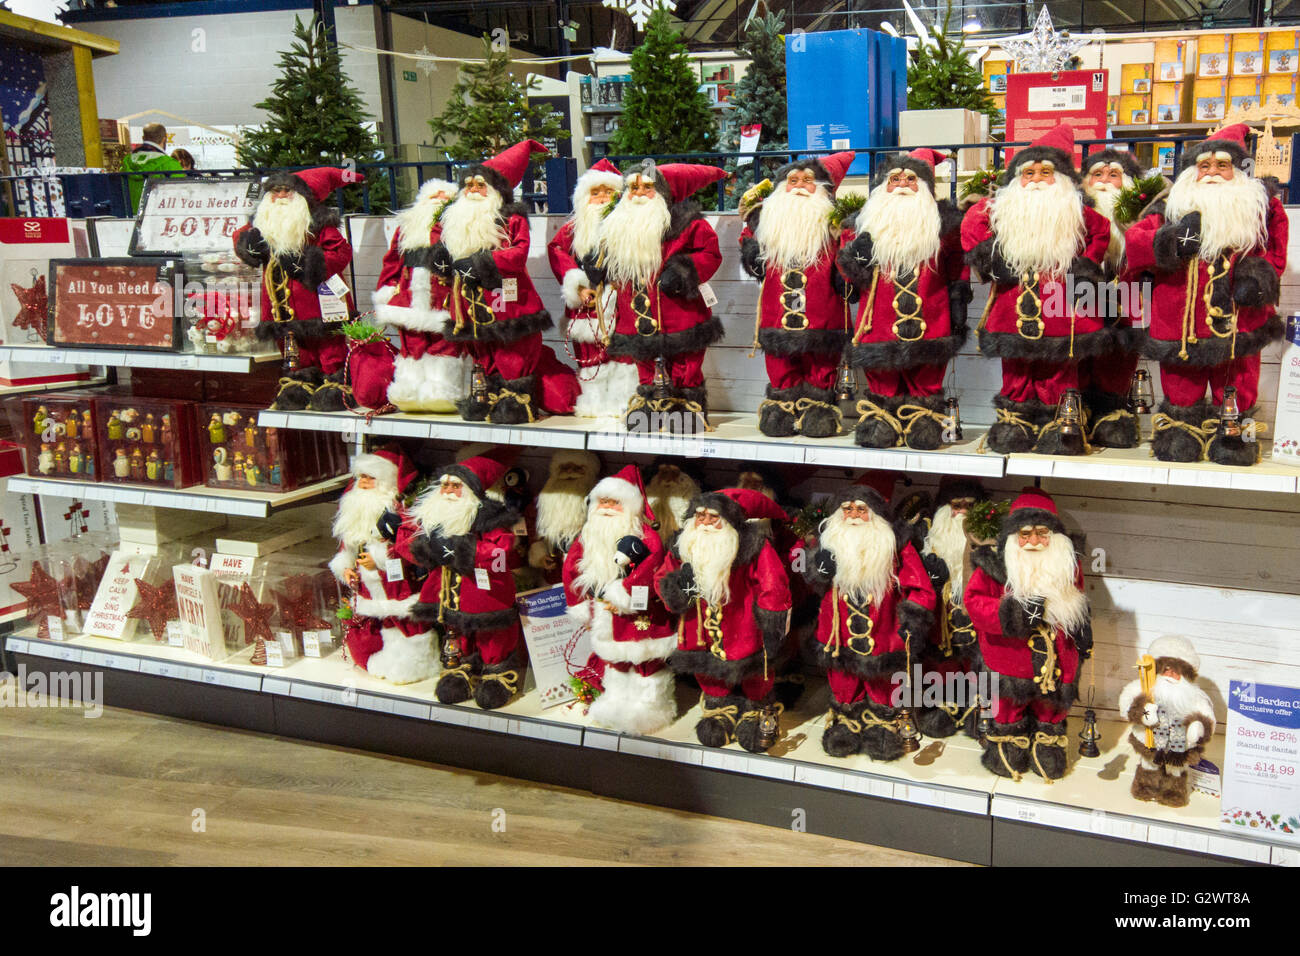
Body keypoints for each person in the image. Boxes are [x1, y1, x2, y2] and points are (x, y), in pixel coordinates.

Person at [1123, 123, 1288, 465]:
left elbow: (1276, 253)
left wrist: (1258, 278)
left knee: (1238, 380)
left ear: (1237, 169)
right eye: (1205, 166)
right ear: (1192, 170)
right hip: (1178, 322)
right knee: (1181, 382)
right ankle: (1180, 433)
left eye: (1221, 165)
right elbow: (1136, 243)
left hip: (1237, 318)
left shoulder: (1263, 208)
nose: (1212, 172)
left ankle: (1235, 437)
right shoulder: (1169, 207)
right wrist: (1170, 242)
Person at [961, 124, 1112, 455]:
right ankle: (1015, 422)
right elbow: (972, 224)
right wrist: (991, 257)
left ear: (1060, 178)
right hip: (1013, 306)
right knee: (1016, 367)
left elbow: (1101, 233)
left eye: (1046, 172)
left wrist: (1085, 267)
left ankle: (1059, 423)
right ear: (1017, 178)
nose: (1037, 179)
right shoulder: (999, 211)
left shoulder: (1077, 213)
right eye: (1029, 173)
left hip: (1061, 306)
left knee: (1060, 368)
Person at [839, 148, 969, 449]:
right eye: (894, 178)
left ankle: (924, 419)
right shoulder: (860, 225)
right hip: (878, 324)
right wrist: (857, 255)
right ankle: (881, 417)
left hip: (931, 320)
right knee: (882, 373)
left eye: (911, 179)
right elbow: (849, 275)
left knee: (926, 371)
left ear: (924, 187)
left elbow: (957, 265)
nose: (901, 184)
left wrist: (958, 298)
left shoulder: (944, 227)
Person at [803, 472, 937, 759]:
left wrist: (911, 621)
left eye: (861, 509)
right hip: (837, 634)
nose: (852, 515)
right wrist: (819, 571)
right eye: (847, 509)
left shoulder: (896, 546)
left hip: (884, 631)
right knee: (842, 680)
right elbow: (814, 581)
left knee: (884, 683)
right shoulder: (828, 541)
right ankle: (845, 722)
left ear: (874, 514)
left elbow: (921, 589)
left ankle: (883, 725)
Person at [964, 488, 1093, 781]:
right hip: (1008, 658)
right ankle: (1007, 749)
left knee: (1052, 706)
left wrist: (1083, 628)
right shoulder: (993, 566)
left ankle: (1048, 748)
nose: (1034, 542)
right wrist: (1014, 613)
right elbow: (975, 603)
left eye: (1041, 533)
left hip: (1055, 659)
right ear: (1013, 536)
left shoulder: (1068, 565)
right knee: (1007, 707)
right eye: (1025, 534)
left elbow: (1079, 597)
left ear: (1054, 536)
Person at [589, 161, 727, 432]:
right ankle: (649, 402)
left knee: (685, 359)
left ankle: (685, 405)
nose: (638, 193)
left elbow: (709, 254)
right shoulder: (616, 225)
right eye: (633, 187)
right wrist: (596, 267)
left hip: (679, 311)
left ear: (663, 191)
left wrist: (683, 272)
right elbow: (605, 257)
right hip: (635, 312)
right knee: (644, 357)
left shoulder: (689, 224)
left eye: (647, 187)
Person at [657, 487, 792, 752]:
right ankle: (718, 707)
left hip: (743, 626)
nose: (705, 523)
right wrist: (676, 588)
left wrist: (772, 622)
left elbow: (773, 582)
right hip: (699, 630)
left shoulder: (753, 546)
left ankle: (758, 707)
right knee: (707, 669)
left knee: (756, 670)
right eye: (700, 516)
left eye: (712, 517)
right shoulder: (682, 544)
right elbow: (662, 577)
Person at [739, 150, 856, 438]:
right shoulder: (766, 222)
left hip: (823, 311)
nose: (800, 186)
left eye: (808, 180)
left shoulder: (835, 225)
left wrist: (846, 276)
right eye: (793, 180)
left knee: (821, 359)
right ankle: (782, 405)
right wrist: (751, 252)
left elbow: (849, 255)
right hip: (777, 315)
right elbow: (750, 249)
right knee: (780, 358)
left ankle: (819, 408)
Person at [563, 464, 677, 735]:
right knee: (616, 663)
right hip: (605, 615)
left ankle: (650, 707)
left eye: (615, 503)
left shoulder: (646, 538)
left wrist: (624, 593)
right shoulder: (587, 536)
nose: (606, 507)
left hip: (641, 615)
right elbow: (571, 569)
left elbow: (651, 568)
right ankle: (615, 701)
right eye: (603, 502)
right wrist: (580, 603)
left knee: (646, 663)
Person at [233, 166, 355, 411]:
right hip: (280, 306)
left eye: (285, 191)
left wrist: (310, 262)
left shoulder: (318, 225)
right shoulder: (263, 224)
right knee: (294, 349)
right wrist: (247, 246)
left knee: (329, 345)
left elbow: (341, 253)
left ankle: (335, 382)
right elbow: (240, 238)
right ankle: (300, 381)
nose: (279, 197)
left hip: (319, 303)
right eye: (274, 191)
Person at [328, 447, 435, 684]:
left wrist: (378, 559)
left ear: (385, 482)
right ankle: (392, 658)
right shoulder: (355, 509)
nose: (363, 483)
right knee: (387, 622)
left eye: (370, 478)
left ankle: (420, 662)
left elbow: (411, 550)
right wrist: (346, 566)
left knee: (408, 623)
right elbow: (348, 545)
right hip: (371, 585)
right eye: (361, 477)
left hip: (398, 584)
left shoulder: (401, 511)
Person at [547, 159, 640, 419]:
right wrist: (577, 284)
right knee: (589, 355)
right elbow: (557, 253)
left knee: (625, 352)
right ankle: (594, 402)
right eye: (595, 192)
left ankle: (625, 399)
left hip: (622, 300)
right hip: (588, 301)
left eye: (608, 192)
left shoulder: (630, 227)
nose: (601, 198)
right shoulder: (572, 231)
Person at [372, 178, 469, 412]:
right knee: (411, 344)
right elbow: (392, 261)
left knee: (444, 344)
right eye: (433, 197)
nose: (438, 202)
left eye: (444, 198)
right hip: (407, 298)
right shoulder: (406, 229)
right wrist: (387, 288)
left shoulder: (456, 228)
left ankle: (443, 388)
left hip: (443, 297)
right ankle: (409, 386)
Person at [1078, 147, 1147, 448]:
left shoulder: (1140, 219)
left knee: (1121, 349)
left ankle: (1112, 410)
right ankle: (1076, 406)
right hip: (1078, 290)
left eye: (1113, 174)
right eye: (1097, 174)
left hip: (1126, 287)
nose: (1104, 181)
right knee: (1077, 346)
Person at [1117, 636, 1216, 808]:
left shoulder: (1194, 697)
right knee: (1149, 764)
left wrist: (1198, 727)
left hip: (1179, 747)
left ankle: (1173, 791)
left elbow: (1207, 717)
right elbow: (1126, 704)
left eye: (1176, 672)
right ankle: (1146, 785)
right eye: (1166, 670)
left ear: (1185, 675)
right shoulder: (1145, 687)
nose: (1170, 675)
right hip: (1150, 742)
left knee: (1175, 769)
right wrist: (1142, 713)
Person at [121, 122, 184, 212]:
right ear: (164, 139)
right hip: (158, 218)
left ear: (143, 138)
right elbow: (181, 194)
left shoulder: (125, 163)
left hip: (129, 218)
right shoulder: (170, 164)